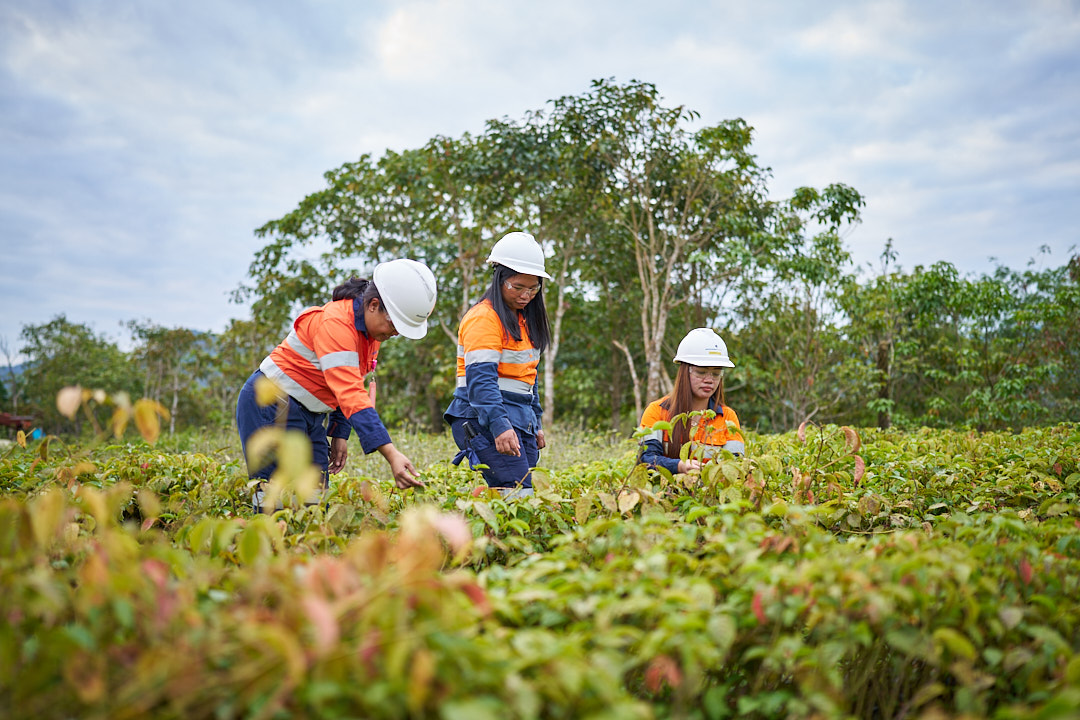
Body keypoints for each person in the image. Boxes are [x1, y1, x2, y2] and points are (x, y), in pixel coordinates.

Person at [236, 259, 437, 510]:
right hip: (270, 404)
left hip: (309, 413)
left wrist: (340, 433)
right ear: (373, 305)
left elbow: (350, 381)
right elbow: (351, 392)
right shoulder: (336, 324)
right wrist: (391, 454)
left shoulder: (371, 333)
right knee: (273, 502)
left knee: (315, 502)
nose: (395, 333)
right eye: (394, 324)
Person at [444, 231, 551, 498]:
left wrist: (535, 422)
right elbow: (481, 383)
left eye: (533, 288)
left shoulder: (525, 321)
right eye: (518, 287)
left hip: (518, 417)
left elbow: (529, 379)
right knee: (515, 492)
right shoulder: (484, 318)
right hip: (482, 417)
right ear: (500, 279)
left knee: (519, 493)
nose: (526, 295)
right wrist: (499, 426)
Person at [638, 328, 745, 474]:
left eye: (715, 374)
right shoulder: (657, 411)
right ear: (684, 372)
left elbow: (735, 468)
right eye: (701, 372)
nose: (709, 380)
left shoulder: (727, 418)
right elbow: (647, 460)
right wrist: (678, 466)